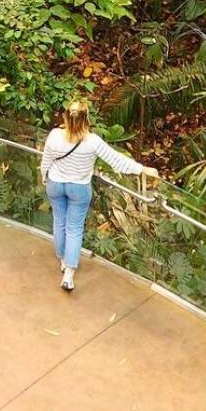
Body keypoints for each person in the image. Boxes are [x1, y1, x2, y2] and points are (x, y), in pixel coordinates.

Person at [41, 100, 158, 293]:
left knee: (59, 221)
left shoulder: (54, 136)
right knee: (74, 228)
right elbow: (116, 160)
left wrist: (44, 176)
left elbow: (46, 161)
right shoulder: (93, 142)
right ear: (87, 119)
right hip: (78, 188)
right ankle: (68, 275)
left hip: (55, 184)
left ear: (65, 117)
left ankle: (62, 259)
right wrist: (142, 169)